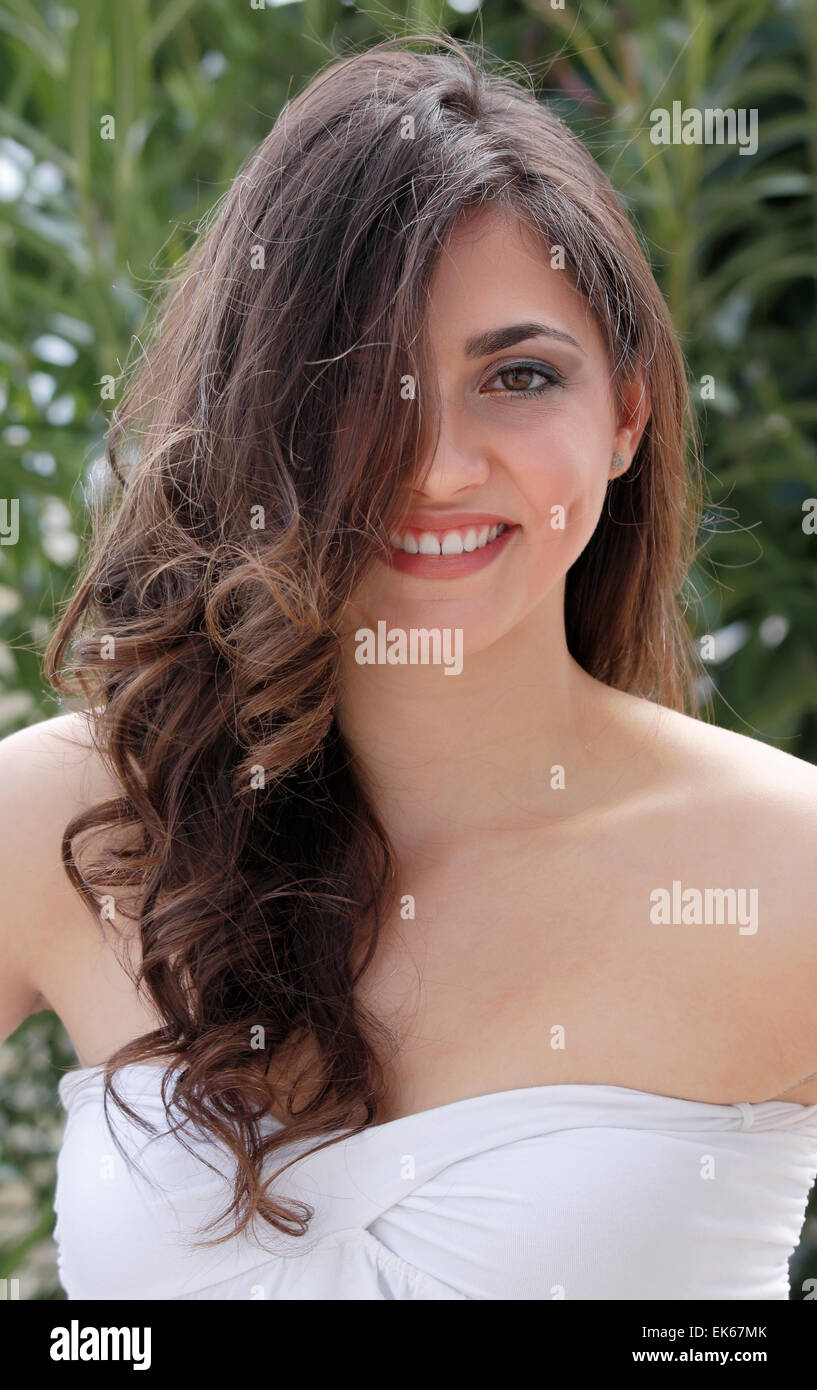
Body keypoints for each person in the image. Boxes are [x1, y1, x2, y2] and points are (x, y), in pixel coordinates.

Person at [2, 33, 816, 1301]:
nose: (434, 465)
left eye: (518, 375)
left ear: (626, 413)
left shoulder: (788, 867)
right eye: (355, 385)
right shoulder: (73, 820)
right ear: (255, 414)